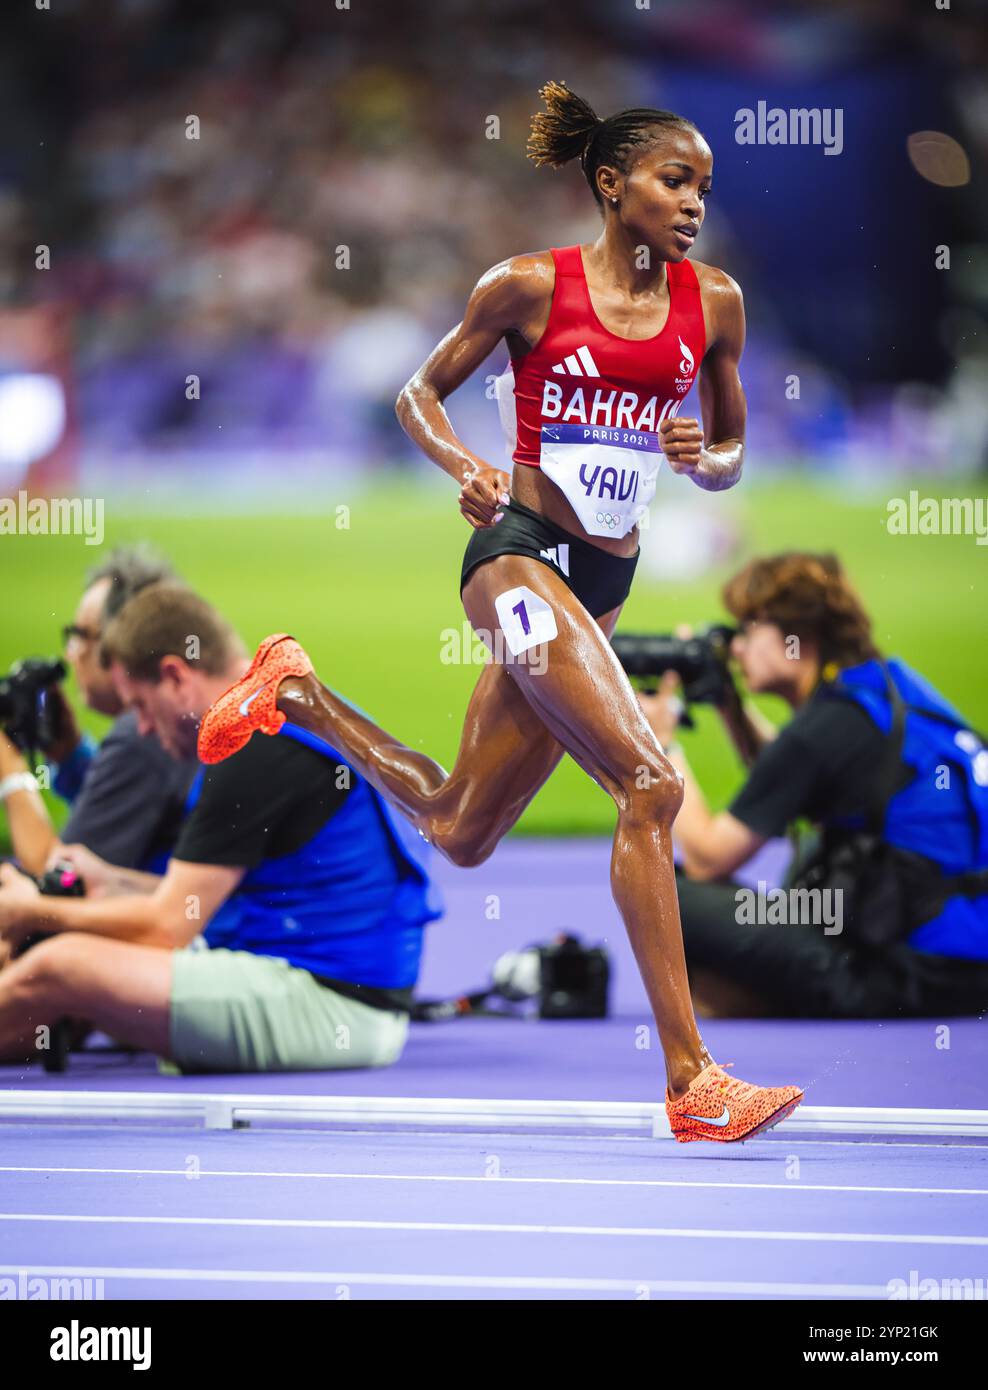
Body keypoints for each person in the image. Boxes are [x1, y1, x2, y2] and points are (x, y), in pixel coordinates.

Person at [193, 81, 803, 1143]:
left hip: (598, 590)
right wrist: (466, 465)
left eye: (704, 184)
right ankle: (691, 1078)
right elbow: (414, 395)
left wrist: (703, 457)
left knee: (460, 827)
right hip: (517, 561)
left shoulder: (717, 306)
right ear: (611, 186)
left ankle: (292, 686)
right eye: (673, 179)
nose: (695, 201)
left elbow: (729, 454)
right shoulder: (526, 287)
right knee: (650, 785)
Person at [0, 585, 442, 1072]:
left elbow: (167, 926)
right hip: (349, 996)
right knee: (76, 932)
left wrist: (32, 912)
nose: (142, 728)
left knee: (59, 965)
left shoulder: (253, 743)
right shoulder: (271, 713)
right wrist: (109, 881)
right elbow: (209, 900)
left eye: (141, 707)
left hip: (332, 1009)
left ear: (175, 676)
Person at [637, 551, 988, 1018]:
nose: (737, 649)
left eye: (748, 629)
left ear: (796, 636)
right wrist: (728, 704)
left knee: (664, 891)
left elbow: (707, 857)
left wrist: (659, 743)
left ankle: (767, 996)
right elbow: (793, 773)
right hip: (963, 956)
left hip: (911, 972)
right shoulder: (886, 689)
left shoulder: (826, 728)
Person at [0, 546, 196, 878]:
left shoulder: (142, 735)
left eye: (79, 637)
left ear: (119, 643)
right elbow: (118, 814)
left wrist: (11, 770)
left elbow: (62, 881)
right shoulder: (178, 713)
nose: (69, 654)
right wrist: (71, 754)